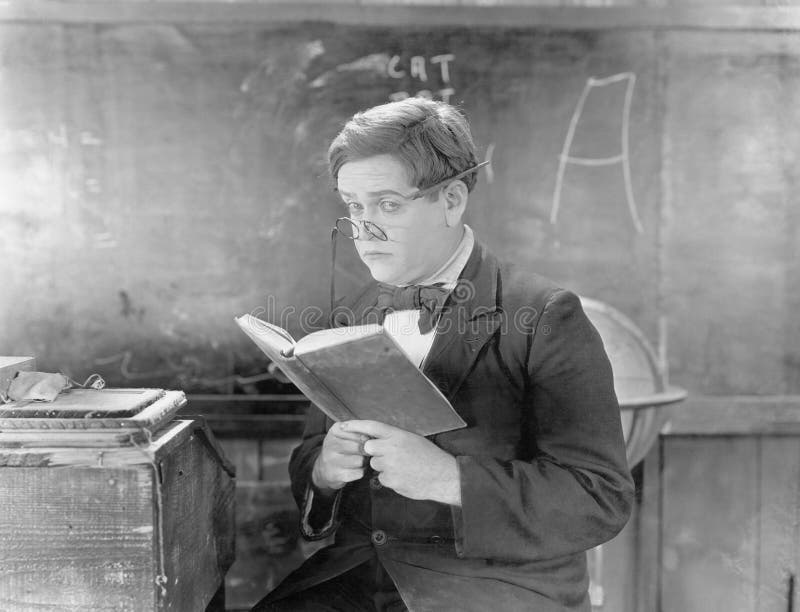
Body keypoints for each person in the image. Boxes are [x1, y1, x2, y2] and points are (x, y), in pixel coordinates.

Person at [252, 97, 634, 612]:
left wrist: (448, 478)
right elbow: (311, 452)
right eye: (354, 207)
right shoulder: (355, 310)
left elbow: (600, 497)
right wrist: (324, 469)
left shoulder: (546, 315)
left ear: (452, 201)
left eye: (388, 205)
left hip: (495, 589)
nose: (364, 230)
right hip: (359, 577)